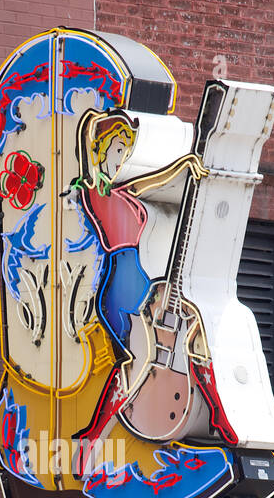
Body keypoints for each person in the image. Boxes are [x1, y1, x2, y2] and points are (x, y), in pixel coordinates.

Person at [69, 108, 237, 478]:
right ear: (99, 155)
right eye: (113, 153)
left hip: (143, 282)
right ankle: (91, 438)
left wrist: (184, 167)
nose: (119, 160)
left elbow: (152, 180)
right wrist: (93, 124)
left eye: (123, 154)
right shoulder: (96, 191)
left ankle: (219, 416)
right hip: (117, 288)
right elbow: (84, 152)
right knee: (137, 359)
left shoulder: (125, 191)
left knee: (192, 329)